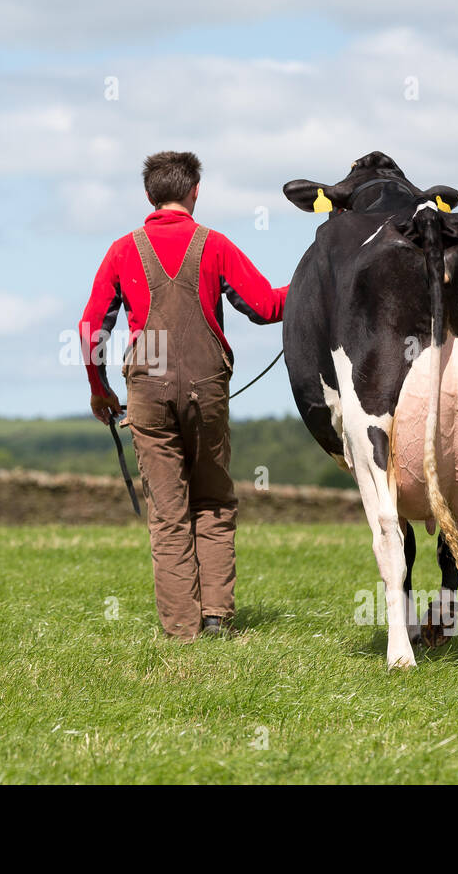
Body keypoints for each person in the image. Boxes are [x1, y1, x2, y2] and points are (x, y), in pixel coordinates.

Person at [78, 151, 288, 641]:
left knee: (167, 510)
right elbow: (265, 306)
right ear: (196, 192)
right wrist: (318, 280)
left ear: (149, 196)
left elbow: (91, 329)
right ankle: (216, 617)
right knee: (213, 499)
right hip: (207, 386)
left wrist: (99, 388)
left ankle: (181, 631)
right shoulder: (215, 245)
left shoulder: (121, 250)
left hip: (146, 388)